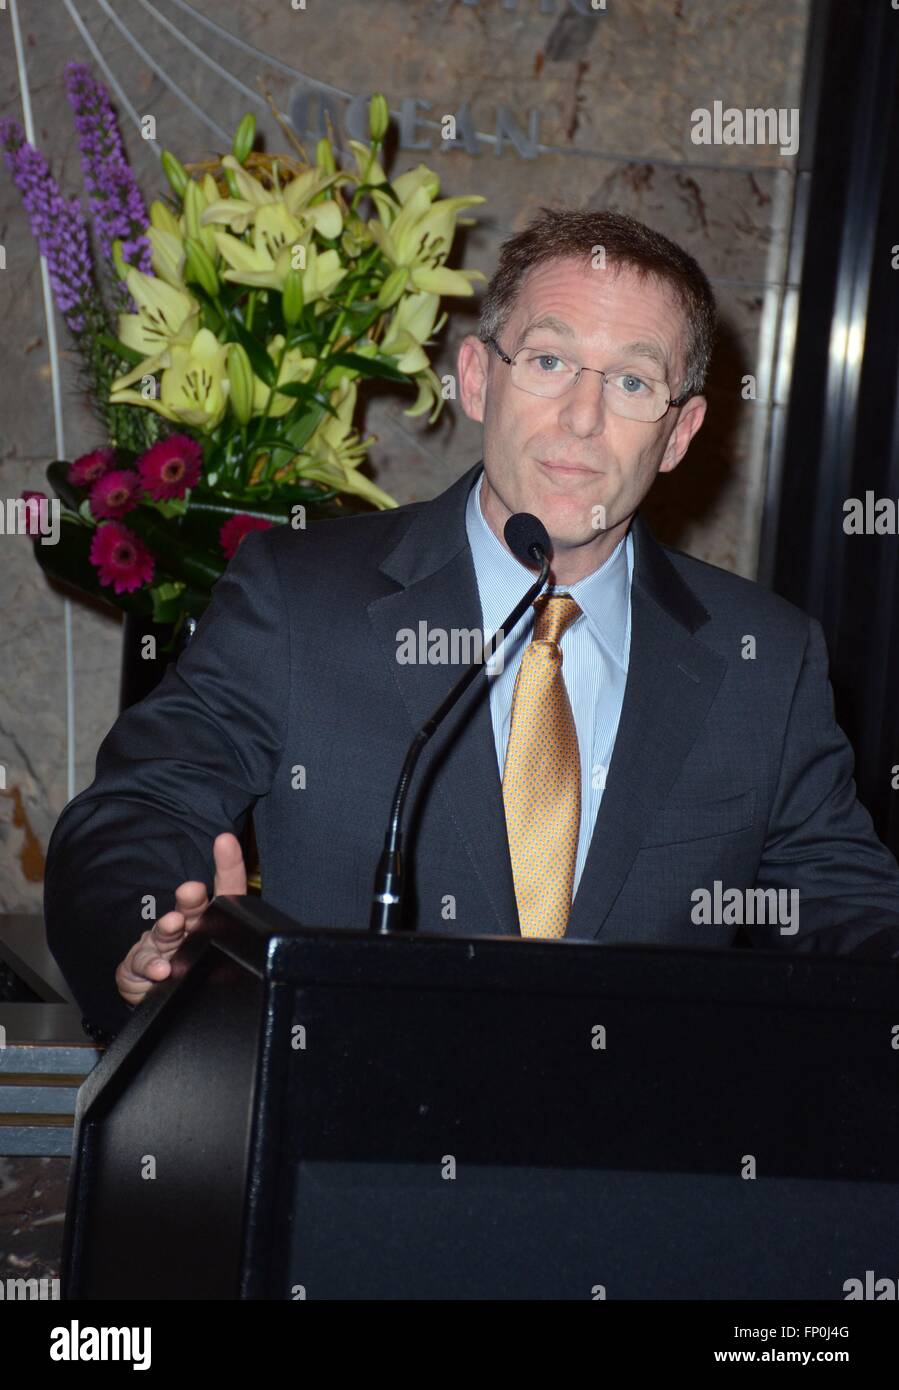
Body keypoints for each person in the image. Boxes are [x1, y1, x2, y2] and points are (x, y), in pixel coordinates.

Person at [43, 208, 899, 1041]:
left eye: (633, 382)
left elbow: (841, 907)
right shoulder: (300, 599)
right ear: (479, 378)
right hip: (351, 1149)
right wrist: (148, 929)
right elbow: (141, 806)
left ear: (678, 433)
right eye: (550, 359)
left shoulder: (763, 656)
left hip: (641, 1165)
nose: (582, 418)